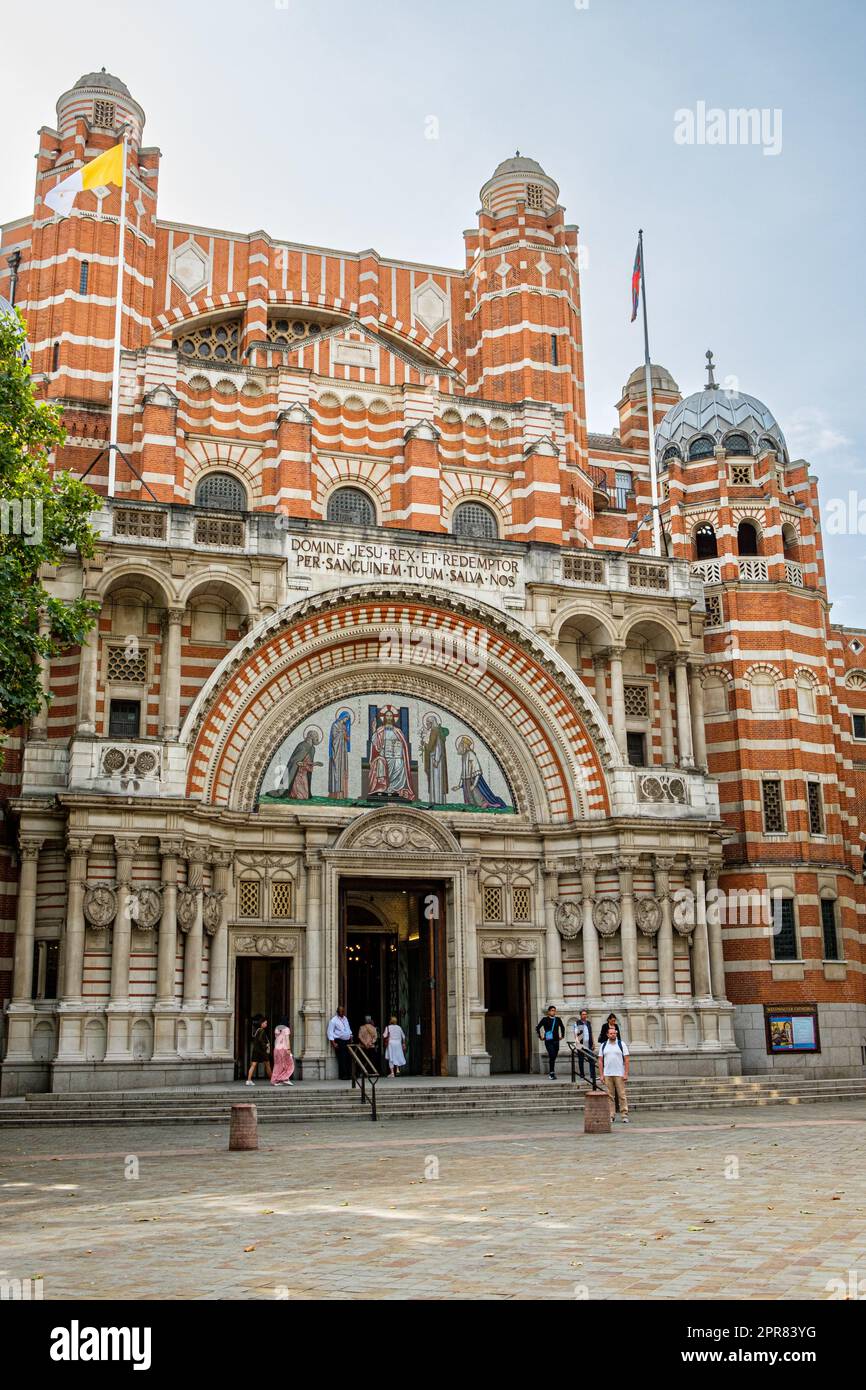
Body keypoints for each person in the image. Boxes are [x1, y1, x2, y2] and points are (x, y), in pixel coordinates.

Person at [598, 1022, 630, 1124]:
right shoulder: (603, 1045)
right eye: (611, 1033)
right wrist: (601, 1074)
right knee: (609, 1096)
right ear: (607, 1035)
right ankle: (611, 1115)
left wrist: (626, 1073)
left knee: (622, 1095)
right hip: (607, 1074)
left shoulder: (622, 1044)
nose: (613, 1035)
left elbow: (626, 1059)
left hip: (619, 1073)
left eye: (614, 1033)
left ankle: (624, 1115)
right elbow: (600, 1060)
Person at [536, 1004, 565, 1080]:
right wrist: (540, 1036)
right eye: (552, 1010)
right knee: (552, 1055)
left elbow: (562, 1027)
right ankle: (551, 1072)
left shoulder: (558, 1019)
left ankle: (552, 1072)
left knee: (554, 1056)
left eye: (554, 1011)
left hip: (556, 1040)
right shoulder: (544, 1019)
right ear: (548, 1011)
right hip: (548, 1041)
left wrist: (562, 1035)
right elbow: (537, 1028)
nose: (553, 1012)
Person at [327, 1004, 353, 1079]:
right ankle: (343, 1075)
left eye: (343, 1011)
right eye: (340, 1011)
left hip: (347, 1041)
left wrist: (351, 1036)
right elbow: (330, 1032)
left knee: (349, 1057)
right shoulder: (333, 1020)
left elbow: (348, 1028)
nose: (342, 1012)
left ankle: (349, 1074)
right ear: (337, 1012)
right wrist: (333, 1043)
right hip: (340, 1041)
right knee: (342, 1058)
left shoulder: (345, 1018)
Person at [572, 1009, 597, 1088]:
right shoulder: (577, 1023)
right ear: (580, 1015)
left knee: (591, 1059)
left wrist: (593, 1042)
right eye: (583, 1014)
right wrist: (577, 1043)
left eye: (585, 1014)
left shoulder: (589, 1023)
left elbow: (591, 1033)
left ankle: (592, 1075)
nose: (584, 1015)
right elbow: (575, 1034)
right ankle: (582, 1074)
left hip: (588, 1044)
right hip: (580, 1043)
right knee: (581, 1059)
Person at [246, 1015, 271, 1085]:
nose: (266, 1024)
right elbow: (260, 1040)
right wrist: (266, 1046)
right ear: (262, 1023)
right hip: (262, 1051)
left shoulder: (257, 1031)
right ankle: (272, 1080)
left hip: (256, 1051)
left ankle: (248, 1080)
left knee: (253, 1065)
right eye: (265, 1023)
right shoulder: (262, 1030)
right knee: (268, 1065)